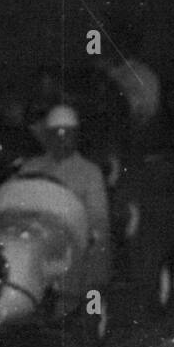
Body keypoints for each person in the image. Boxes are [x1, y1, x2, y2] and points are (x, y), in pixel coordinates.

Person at [19, 105, 112, 291]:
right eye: (56, 134)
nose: (61, 139)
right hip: (34, 239)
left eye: (67, 134)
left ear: (76, 136)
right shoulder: (31, 167)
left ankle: (88, 308)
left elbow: (98, 217)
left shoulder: (89, 172)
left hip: (73, 242)